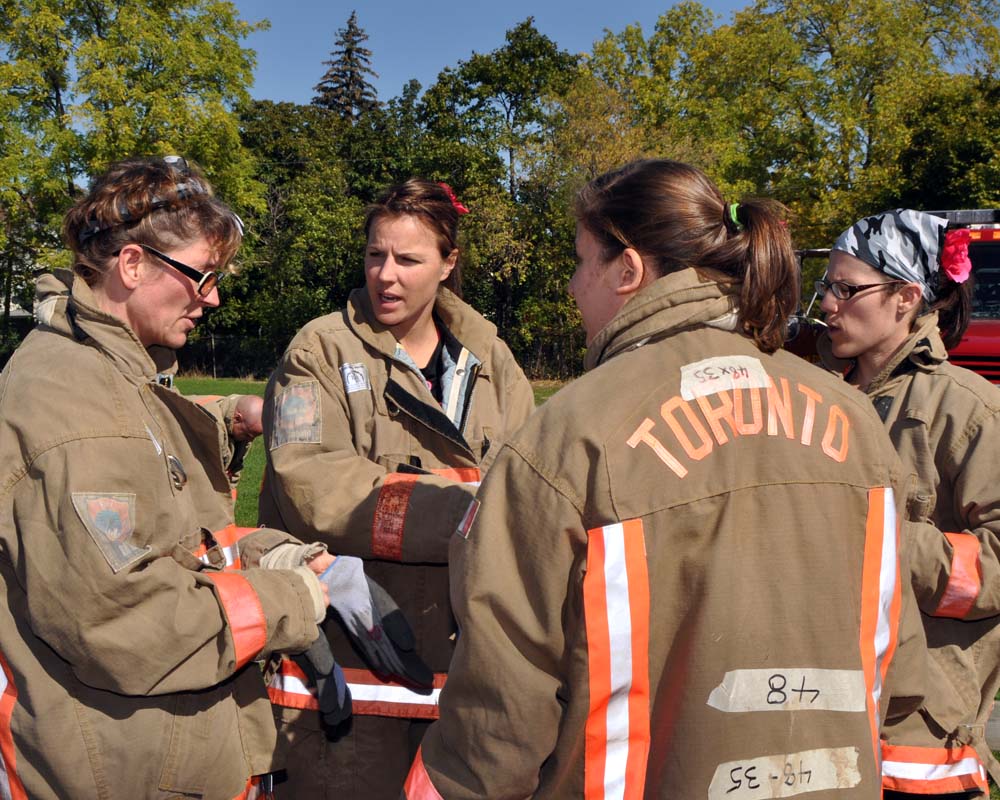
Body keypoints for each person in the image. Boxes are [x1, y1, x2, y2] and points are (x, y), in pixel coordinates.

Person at [403, 159, 918, 799]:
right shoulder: (856, 422)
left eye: (580, 260)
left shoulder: (569, 435)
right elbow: (898, 657)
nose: (571, 285)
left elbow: (501, 719)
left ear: (628, 271)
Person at [0, 155, 409, 799]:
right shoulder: (78, 409)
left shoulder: (114, 372)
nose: (212, 298)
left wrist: (285, 551)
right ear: (133, 265)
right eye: (201, 276)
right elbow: (128, 623)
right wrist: (295, 601)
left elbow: (184, 538)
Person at [258, 178, 536, 798]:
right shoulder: (317, 352)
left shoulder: (491, 355)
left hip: (470, 668)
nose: (386, 275)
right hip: (353, 673)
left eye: (408, 259)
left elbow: (530, 475)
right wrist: (471, 511)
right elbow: (313, 485)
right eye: (375, 255)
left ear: (448, 264)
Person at [817, 209, 1000, 797]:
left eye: (847, 289)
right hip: (823, 709)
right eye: (826, 286)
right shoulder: (816, 396)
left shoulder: (968, 411)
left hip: (920, 739)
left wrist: (877, 536)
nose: (827, 305)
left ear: (906, 298)